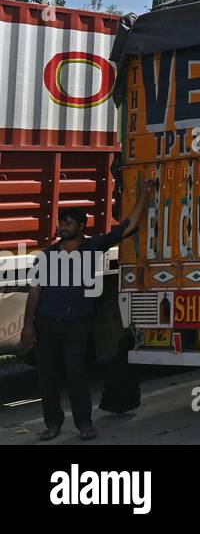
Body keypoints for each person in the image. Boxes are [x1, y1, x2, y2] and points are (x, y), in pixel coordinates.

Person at [21, 178, 155, 441]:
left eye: (68, 223)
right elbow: (34, 292)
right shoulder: (47, 256)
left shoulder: (92, 247)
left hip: (77, 324)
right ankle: (53, 424)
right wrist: (28, 326)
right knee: (47, 379)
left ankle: (84, 424)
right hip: (47, 323)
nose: (62, 226)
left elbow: (128, 226)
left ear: (81, 226)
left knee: (76, 375)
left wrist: (145, 194)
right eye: (61, 222)